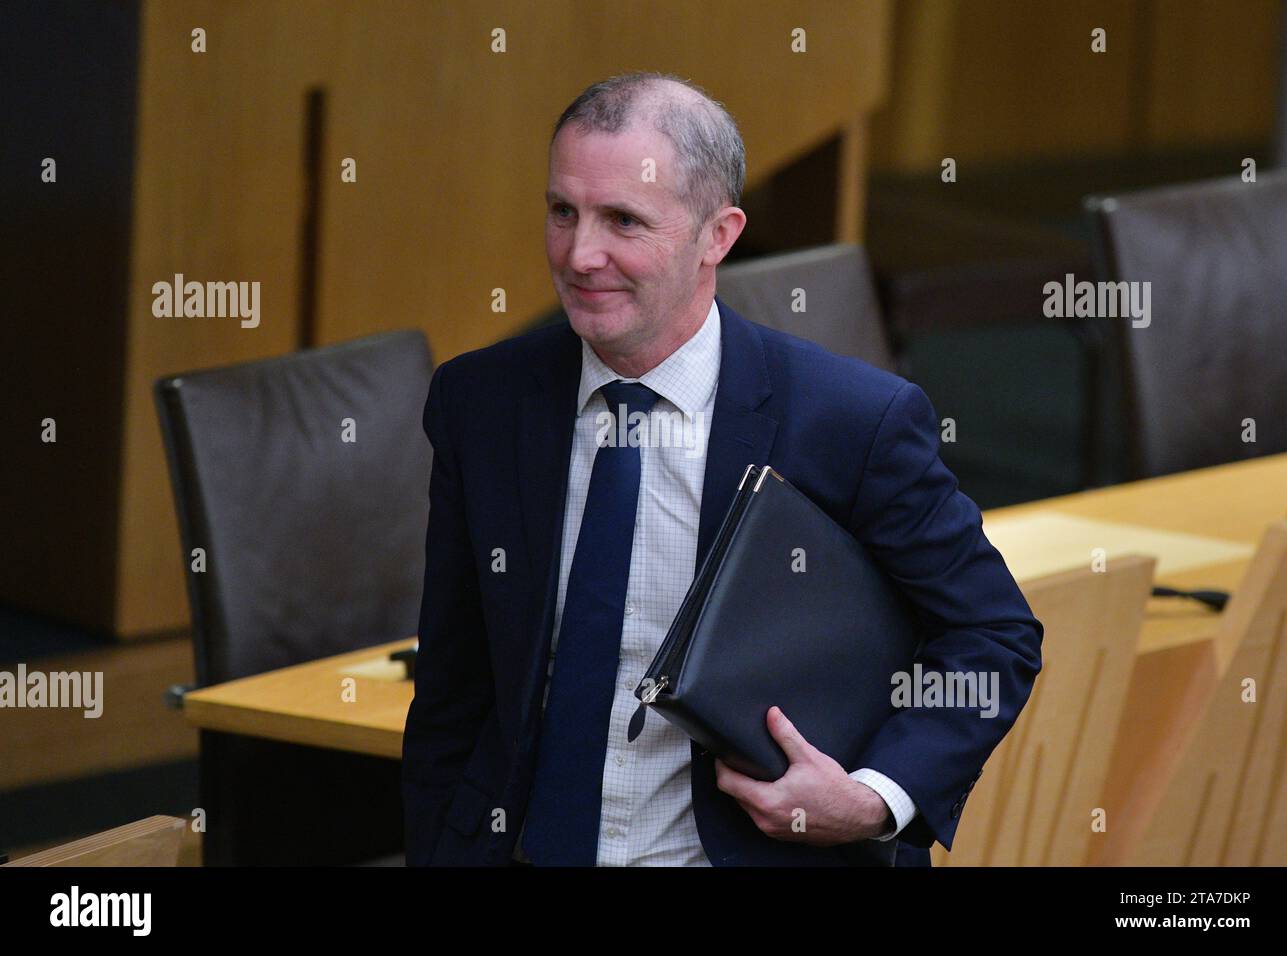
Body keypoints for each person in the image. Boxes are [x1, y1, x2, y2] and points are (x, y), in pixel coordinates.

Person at [402, 72, 1043, 867]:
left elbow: (991, 633)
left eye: (623, 221)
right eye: (562, 211)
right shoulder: (482, 402)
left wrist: (874, 798)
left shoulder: (848, 421)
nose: (579, 253)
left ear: (718, 235)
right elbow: (454, 685)